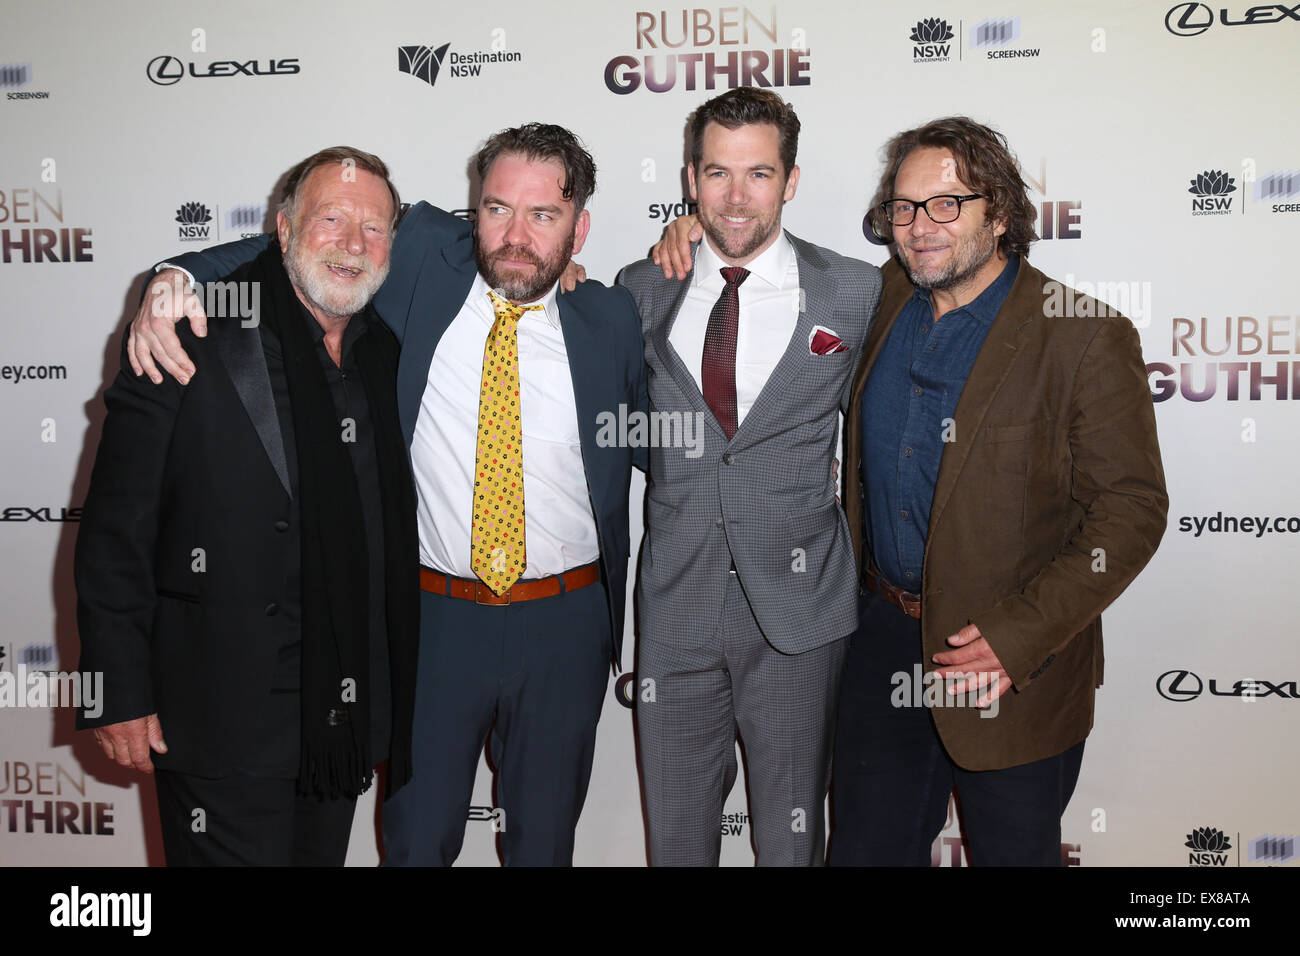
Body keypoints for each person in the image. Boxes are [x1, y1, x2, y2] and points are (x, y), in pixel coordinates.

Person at [125, 125, 645, 866]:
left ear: (579, 226)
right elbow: (303, 247)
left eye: (545, 216)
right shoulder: (418, 259)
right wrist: (177, 273)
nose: (516, 236)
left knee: (544, 843)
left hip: (563, 626)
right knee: (414, 839)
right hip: (429, 622)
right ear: (473, 209)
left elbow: (654, 441)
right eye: (497, 209)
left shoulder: (612, 319)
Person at [832, 117, 1168, 865]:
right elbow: (773, 271)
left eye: (947, 204)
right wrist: (686, 240)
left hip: (1009, 664)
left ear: (1003, 214)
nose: (920, 228)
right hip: (882, 639)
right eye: (905, 206)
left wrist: (1018, 639)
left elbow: (1133, 510)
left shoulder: (1082, 335)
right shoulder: (884, 296)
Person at [76, 147, 419, 866]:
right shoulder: (187, 335)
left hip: (338, 714)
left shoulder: (383, 350)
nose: (353, 244)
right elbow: (115, 531)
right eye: (332, 219)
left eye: (375, 228)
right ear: (284, 229)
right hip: (213, 714)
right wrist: (115, 692)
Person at [620, 87, 881, 866]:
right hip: (676, 610)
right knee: (673, 842)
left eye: (759, 174)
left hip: (800, 613)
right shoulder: (640, 288)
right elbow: (626, 432)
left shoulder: (856, 291)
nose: (736, 197)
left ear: (791, 181)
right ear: (690, 180)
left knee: (793, 841)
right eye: (718, 174)